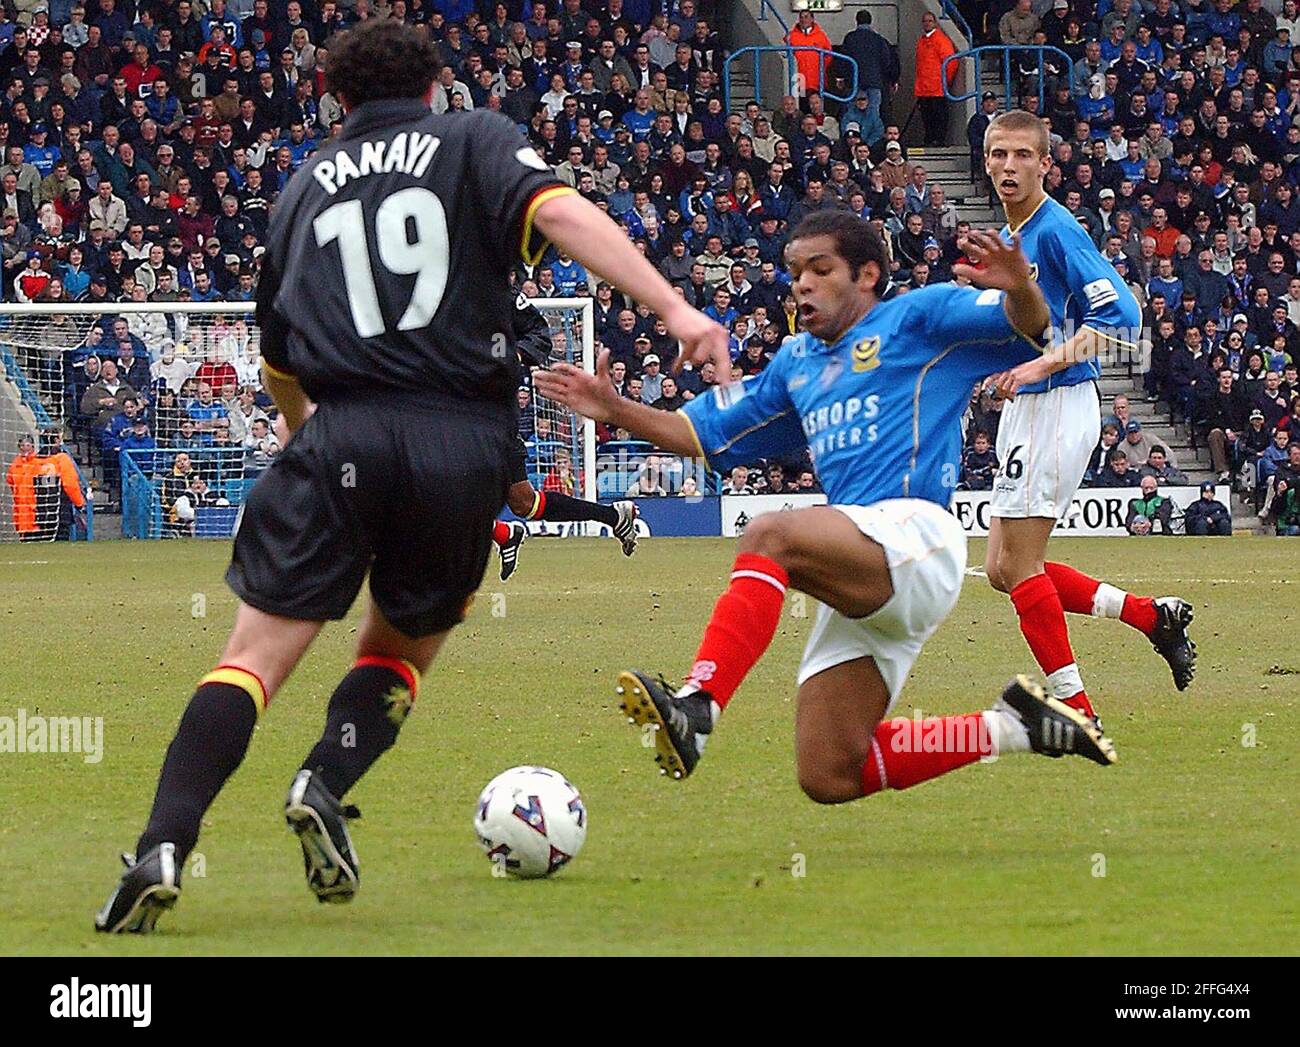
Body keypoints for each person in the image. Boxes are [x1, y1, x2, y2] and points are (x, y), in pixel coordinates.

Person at [95, 20, 731, 935]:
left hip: (341, 431)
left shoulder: (301, 189)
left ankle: (163, 841)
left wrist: (310, 439)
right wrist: (671, 305)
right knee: (397, 649)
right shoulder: (473, 140)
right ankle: (324, 777)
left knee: (250, 661)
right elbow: (557, 212)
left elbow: (280, 362)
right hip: (461, 441)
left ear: (335, 98)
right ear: (436, 87)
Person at [536, 212, 1115, 803]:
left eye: (820, 269)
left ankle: (698, 706)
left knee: (768, 534)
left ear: (867, 275)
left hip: (919, 537)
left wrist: (1019, 285)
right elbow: (701, 433)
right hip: (864, 565)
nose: (802, 285)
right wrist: (616, 410)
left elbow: (1029, 323)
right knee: (830, 772)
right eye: (794, 272)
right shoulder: (796, 363)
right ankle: (1013, 726)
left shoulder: (919, 316)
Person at [982, 111, 1197, 733]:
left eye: (1022, 155)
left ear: (1045, 163)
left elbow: (1122, 320)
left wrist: (1038, 366)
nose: (1007, 166)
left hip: (1055, 406)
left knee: (1020, 566)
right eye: (998, 154)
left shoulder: (1054, 230)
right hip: (1032, 407)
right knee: (1002, 569)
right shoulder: (1014, 232)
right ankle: (1151, 617)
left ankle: (1077, 711)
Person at [490, 291, 639, 582]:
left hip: (492, 414)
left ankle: (504, 534)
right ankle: (612, 517)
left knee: (515, 502)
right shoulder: (428, 297)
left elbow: (539, 333)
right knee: (519, 502)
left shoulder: (497, 293)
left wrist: (515, 355)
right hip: (451, 411)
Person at [914, 11, 957, 147]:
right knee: (927, 118)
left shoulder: (941, 40)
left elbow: (951, 62)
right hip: (924, 87)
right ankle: (929, 139)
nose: (927, 23)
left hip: (937, 87)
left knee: (938, 116)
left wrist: (945, 82)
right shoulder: (921, 41)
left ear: (935, 23)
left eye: (930, 21)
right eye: (925, 21)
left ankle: (938, 140)